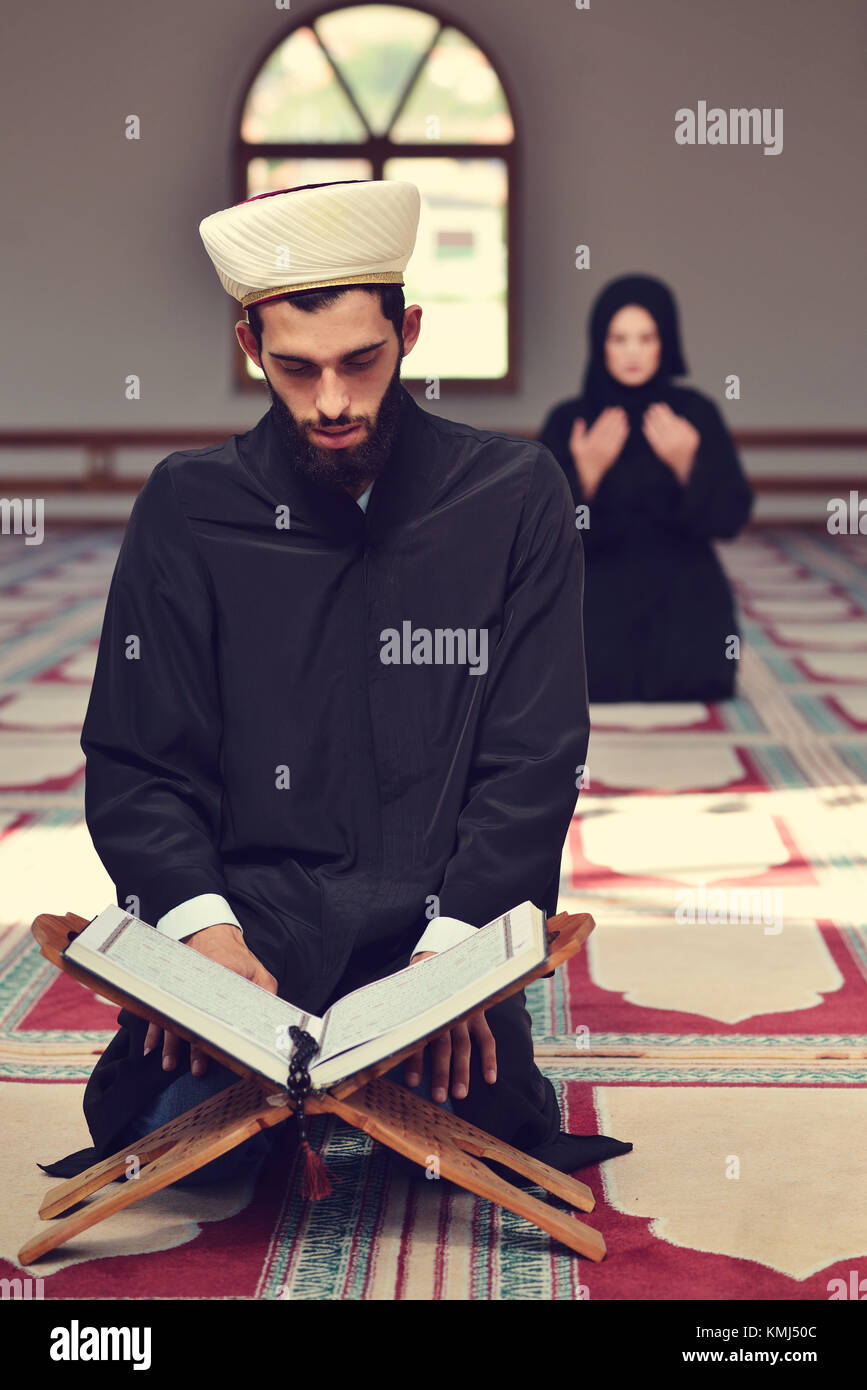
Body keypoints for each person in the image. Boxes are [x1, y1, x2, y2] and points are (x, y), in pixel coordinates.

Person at [42, 179, 631, 1186]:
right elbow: (138, 765)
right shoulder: (187, 508)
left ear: (407, 330)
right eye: (295, 367)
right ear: (247, 347)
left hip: (433, 927)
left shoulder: (515, 496)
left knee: (457, 1119)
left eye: (361, 361)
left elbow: (533, 762)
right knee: (185, 1139)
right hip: (248, 936)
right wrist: (200, 941)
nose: (331, 402)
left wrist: (453, 965)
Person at [539, 275, 753, 703]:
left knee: (698, 669)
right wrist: (586, 473)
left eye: (646, 337)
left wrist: (688, 464)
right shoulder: (571, 419)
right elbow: (538, 538)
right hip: (599, 580)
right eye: (620, 338)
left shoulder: (695, 413)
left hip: (680, 583)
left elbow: (730, 519)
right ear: (600, 343)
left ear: (666, 342)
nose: (633, 351)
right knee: (576, 671)